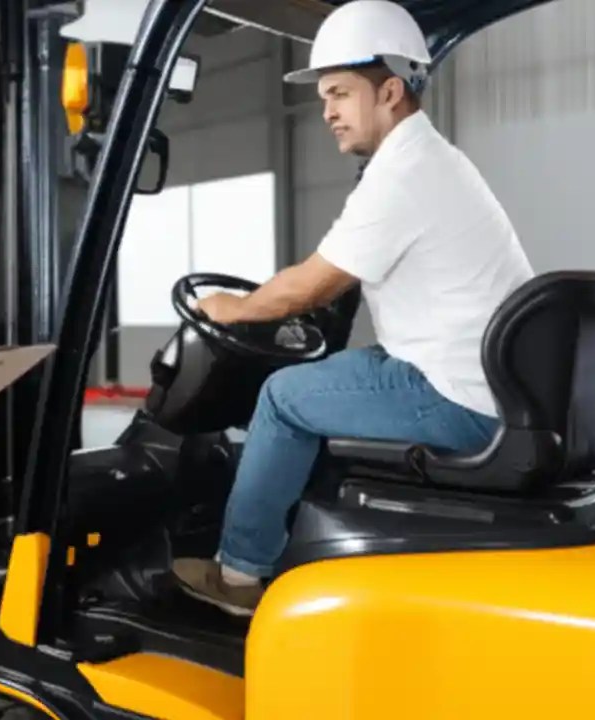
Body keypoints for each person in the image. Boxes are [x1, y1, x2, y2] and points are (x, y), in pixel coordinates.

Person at [171, 0, 535, 616]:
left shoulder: (404, 173)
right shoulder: (427, 162)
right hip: (479, 381)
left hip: (455, 393)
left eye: (339, 93)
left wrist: (231, 308)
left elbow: (307, 288)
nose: (328, 113)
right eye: (323, 99)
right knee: (326, 380)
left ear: (390, 90)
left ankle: (238, 577)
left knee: (283, 398)